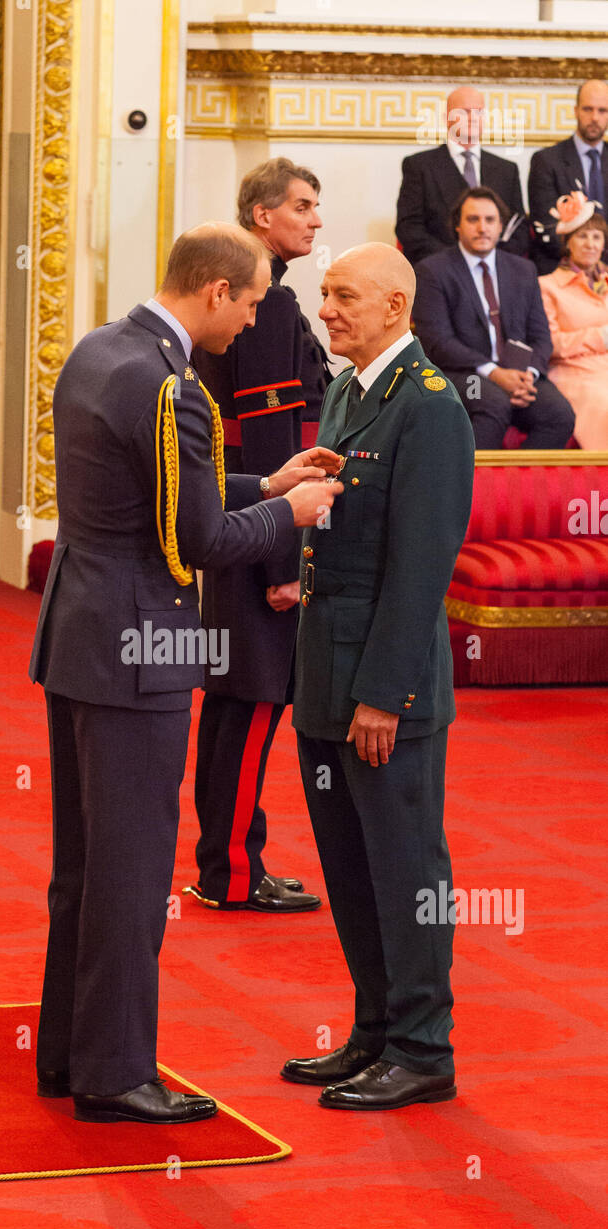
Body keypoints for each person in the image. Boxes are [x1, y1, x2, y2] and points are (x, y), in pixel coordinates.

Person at [28, 223, 343, 1125]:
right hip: (142, 652)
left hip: (81, 635)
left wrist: (268, 482)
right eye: (247, 303)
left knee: (83, 867)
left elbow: (162, 497)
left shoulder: (99, 351)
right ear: (213, 291)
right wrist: (299, 515)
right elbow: (197, 540)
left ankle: (70, 1054)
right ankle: (116, 1075)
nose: (251, 322)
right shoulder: (173, 390)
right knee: (128, 873)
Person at [281, 242, 475, 1111]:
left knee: (405, 868)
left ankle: (423, 1047)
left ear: (395, 307)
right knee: (349, 865)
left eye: (344, 296)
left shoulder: (429, 408)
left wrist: (381, 694)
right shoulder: (347, 388)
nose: (327, 309)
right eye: (323, 295)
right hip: (325, 666)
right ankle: (374, 1031)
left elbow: (421, 566)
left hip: (380, 686)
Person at [184, 157, 331, 916]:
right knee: (252, 703)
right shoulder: (263, 299)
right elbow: (275, 435)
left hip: (233, 511)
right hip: (263, 526)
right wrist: (285, 560)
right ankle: (232, 875)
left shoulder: (249, 288)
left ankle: (224, 863)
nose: (314, 220)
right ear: (262, 215)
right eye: (302, 206)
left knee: (233, 701)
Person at [413, 186, 575, 449]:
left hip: (518, 374)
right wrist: (495, 373)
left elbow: (541, 336)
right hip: (463, 374)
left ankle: (519, 487)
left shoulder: (523, 269)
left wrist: (529, 375)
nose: (482, 228)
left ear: (501, 226)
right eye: (473, 219)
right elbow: (438, 343)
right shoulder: (432, 271)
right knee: (493, 403)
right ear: (457, 225)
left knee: (559, 415)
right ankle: (469, 488)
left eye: (490, 220)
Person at [395, 85, 529, 265]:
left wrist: (492, 261)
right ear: (446, 118)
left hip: (496, 270)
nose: (472, 118)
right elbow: (409, 229)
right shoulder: (419, 166)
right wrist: (457, 262)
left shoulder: (507, 170)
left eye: (479, 112)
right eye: (465, 112)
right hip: (439, 269)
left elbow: (518, 228)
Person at [538, 192, 608, 449]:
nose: (590, 244)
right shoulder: (547, 286)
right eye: (582, 235)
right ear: (568, 242)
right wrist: (600, 337)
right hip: (574, 373)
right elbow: (551, 345)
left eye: (596, 236)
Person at [529, 79, 608, 275]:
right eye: (588, 109)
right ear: (575, 111)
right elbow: (546, 226)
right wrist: (585, 263)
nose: (595, 117)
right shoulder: (546, 161)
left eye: (602, 111)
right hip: (561, 269)